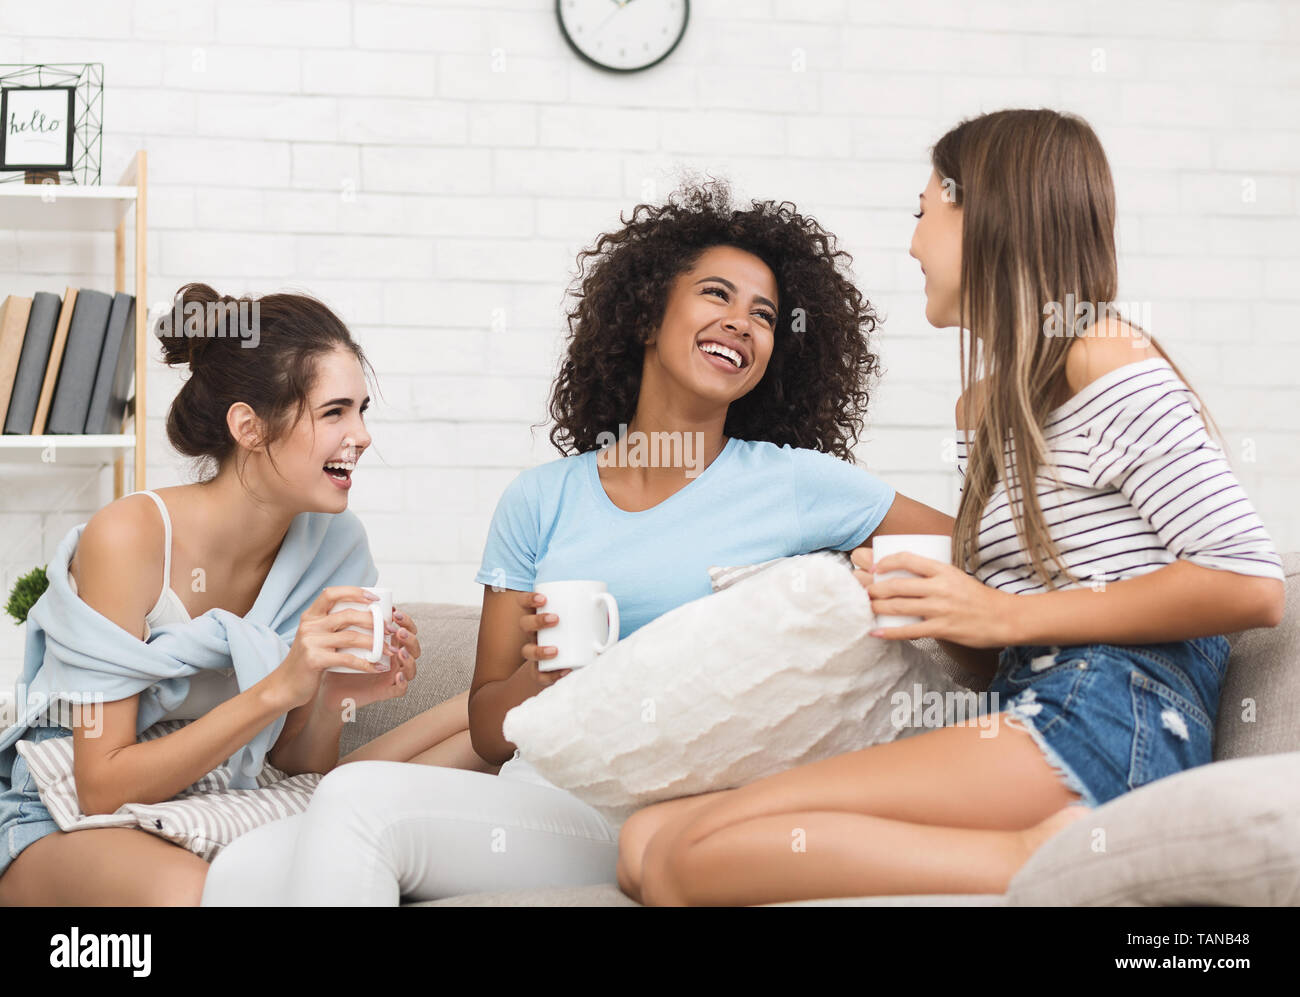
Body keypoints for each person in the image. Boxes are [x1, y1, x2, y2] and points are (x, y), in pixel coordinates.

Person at [199, 180, 958, 905]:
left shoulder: (799, 485)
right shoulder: (540, 500)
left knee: (358, 800)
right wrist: (538, 677)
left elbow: (971, 549)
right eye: (717, 295)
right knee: (243, 873)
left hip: (653, 814)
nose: (742, 322)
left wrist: (866, 574)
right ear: (646, 315)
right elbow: (492, 730)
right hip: (537, 797)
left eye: (764, 314)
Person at [619, 109, 1288, 906]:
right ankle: (1036, 856)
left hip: (1110, 713)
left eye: (923, 212)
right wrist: (937, 610)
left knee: (685, 861)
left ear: (989, 215)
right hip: (1024, 699)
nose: (911, 243)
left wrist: (1004, 617)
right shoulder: (986, 406)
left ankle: (1055, 860)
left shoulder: (1100, 351)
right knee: (645, 840)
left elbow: (1249, 581)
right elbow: (1000, 636)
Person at [0, 284, 477, 907]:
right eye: (334, 412)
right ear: (249, 426)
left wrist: (334, 695)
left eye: (362, 410)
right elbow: (101, 787)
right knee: (196, 896)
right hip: (68, 814)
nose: (360, 435)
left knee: (330, 840)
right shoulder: (128, 537)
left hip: (220, 798)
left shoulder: (338, 543)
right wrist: (279, 686)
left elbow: (300, 763)